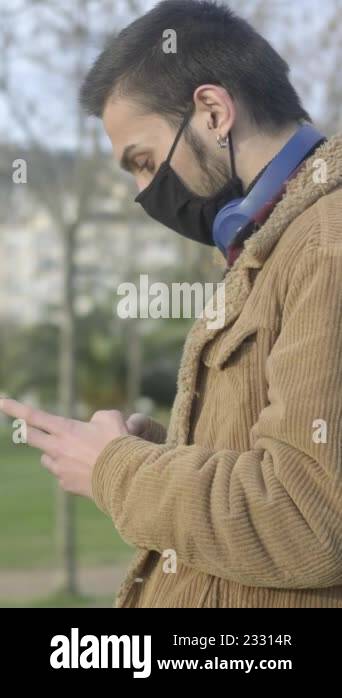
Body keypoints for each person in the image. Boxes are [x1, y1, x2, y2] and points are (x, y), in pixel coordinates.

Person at [2, 0, 341, 608]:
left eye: (144, 161)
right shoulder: (275, 244)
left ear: (213, 112)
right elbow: (272, 465)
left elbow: (307, 519)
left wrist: (117, 470)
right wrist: (150, 453)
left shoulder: (327, 244)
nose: (142, 193)